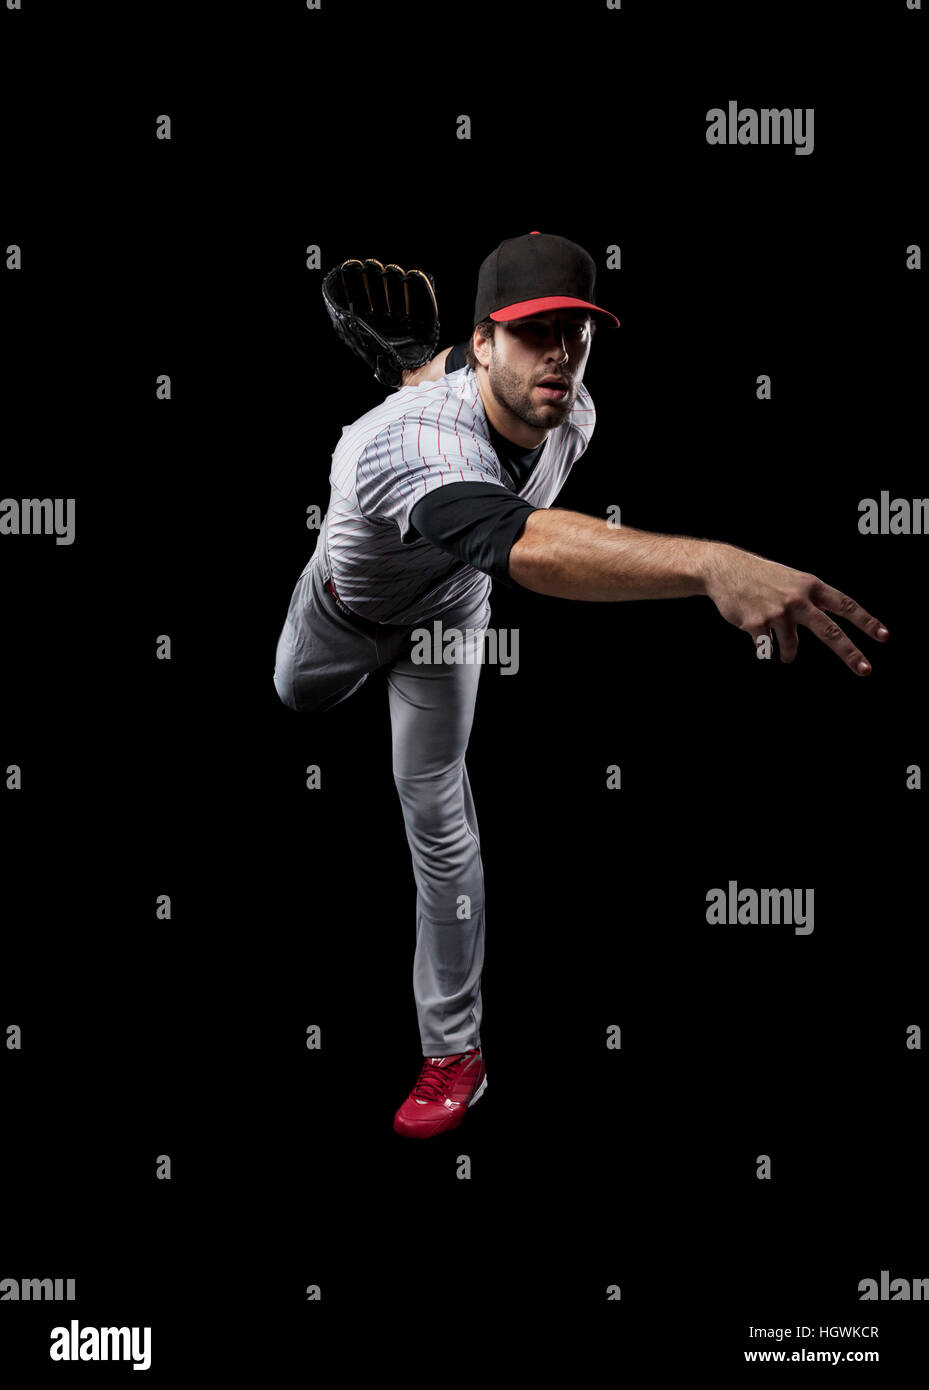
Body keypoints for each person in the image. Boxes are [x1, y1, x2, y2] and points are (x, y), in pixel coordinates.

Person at [273, 231, 889, 1140]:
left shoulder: (571, 407)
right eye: (531, 333)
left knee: (438, 817)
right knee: (294, 697)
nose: (558, 352)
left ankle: (454, 1054)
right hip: (341, 615)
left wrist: (419, 365)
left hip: (446, 623)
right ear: (482, 343)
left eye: (574, 329)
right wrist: (714, 563)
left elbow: (487, 475)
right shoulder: (402, 439)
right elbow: (525, 546)